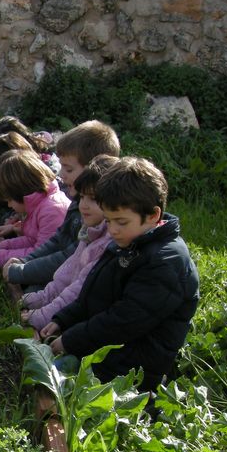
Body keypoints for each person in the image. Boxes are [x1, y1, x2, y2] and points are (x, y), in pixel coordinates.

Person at [41, 157, 199, 391]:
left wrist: (71, 339)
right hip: (106, 355)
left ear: (153, 216)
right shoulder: (127, 243)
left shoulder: (166, 262)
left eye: (121, 222)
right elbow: (93, 293)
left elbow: (123, 322)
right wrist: (63, 319)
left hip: (130, 374)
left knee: (50, 384)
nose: (112, 229)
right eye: (109, 220)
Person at [2, 120, 121, 289]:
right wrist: (25, 261)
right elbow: (57, 240)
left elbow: (69, 257)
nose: (62, 175)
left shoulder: (100, 215)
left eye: (69, 169)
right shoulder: (78, 202)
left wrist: (23, 271)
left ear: (93, 168)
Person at [20, 155, 119, 331]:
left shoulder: (109, 241)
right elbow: (69, 271)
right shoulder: (92, 230)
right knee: (32, 290)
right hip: (73, 308)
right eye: (82, 197)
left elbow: (79, 288)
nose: (84, 205)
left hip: (87, 317)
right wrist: (44, 296)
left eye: (93, 199)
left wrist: (45, 314)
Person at [0, 149, 70, 268]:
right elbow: (32, 239)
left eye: (10, 200)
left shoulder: (52, 211)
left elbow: (40, 254)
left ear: (22, 191)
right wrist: (3, 245)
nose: (9, 205)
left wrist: (0, 256)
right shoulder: (38, 205)